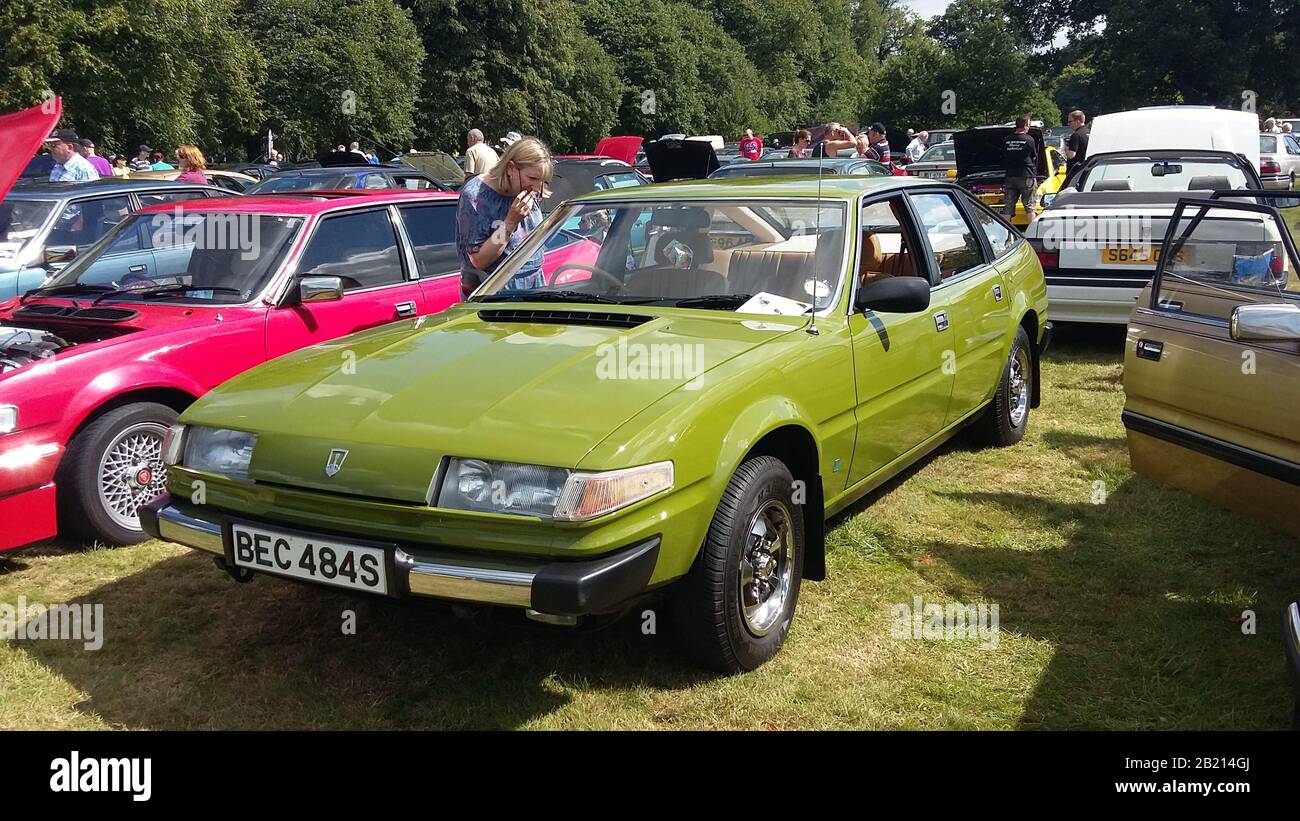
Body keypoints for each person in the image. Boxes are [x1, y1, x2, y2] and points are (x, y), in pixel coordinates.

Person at [456, 136, 555, 298]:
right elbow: (479, 261)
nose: (538, 188)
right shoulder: (476, 196)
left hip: (533, 287)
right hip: (496, 294)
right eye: (533, 179)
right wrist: (510, 222)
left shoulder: (528, 190)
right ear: (510, 168)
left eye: (543, 181)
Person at [1003, 116, 1039, 222]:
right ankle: (1032, 230)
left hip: (1010, 175)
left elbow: (1004, 155)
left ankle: (1006, 230)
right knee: (1029, 205)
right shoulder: (1029, 139)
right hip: (1026, 175)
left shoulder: (1007, 140)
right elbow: (1034, 156)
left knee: (1008, 206)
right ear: (1025, 125)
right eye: (1029, 125)